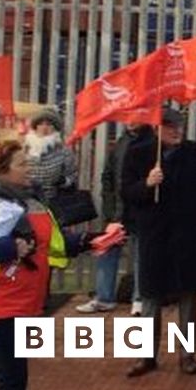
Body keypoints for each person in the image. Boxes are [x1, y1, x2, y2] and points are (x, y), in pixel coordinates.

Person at [0, 140, 96, 390]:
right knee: (12, 382)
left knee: (5, 375)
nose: (29, 168)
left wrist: (89, 241)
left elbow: (52, 244)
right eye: (22, 163)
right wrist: (9, 248)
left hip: (26, 303)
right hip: (1, 306)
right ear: (0, 170)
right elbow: (9, 247)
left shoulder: (33, 200)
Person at [122, 108, 196, 378]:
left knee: (188, 295)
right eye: (170, 126)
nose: (177, 130)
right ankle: (146, 355)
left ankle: (187, 355)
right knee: (150, 296)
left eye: (179, 125)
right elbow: (127, 191)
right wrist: (147, 184)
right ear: (156, 128)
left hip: (187, 235)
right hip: (155, 236)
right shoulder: (138, 152)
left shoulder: (193, 152)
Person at [76, 123, 153, 315]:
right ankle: (104, 297)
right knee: (107, 250)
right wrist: (109, 208)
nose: (131, 119)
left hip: (141, 209)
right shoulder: (121, 142)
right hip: (117, 211)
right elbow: (108, 176)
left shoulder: (153, 143)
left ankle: (139, 298)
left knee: (141, 255)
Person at [23, 107, 77, 202]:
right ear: (35, 127)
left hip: (53, 200)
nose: (44, 128)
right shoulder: (24, 148)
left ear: (55, 128)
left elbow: (72, 176)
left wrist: (63, 181)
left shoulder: (63, 151)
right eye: (40, 124)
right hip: (26, 198)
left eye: (48, 124)